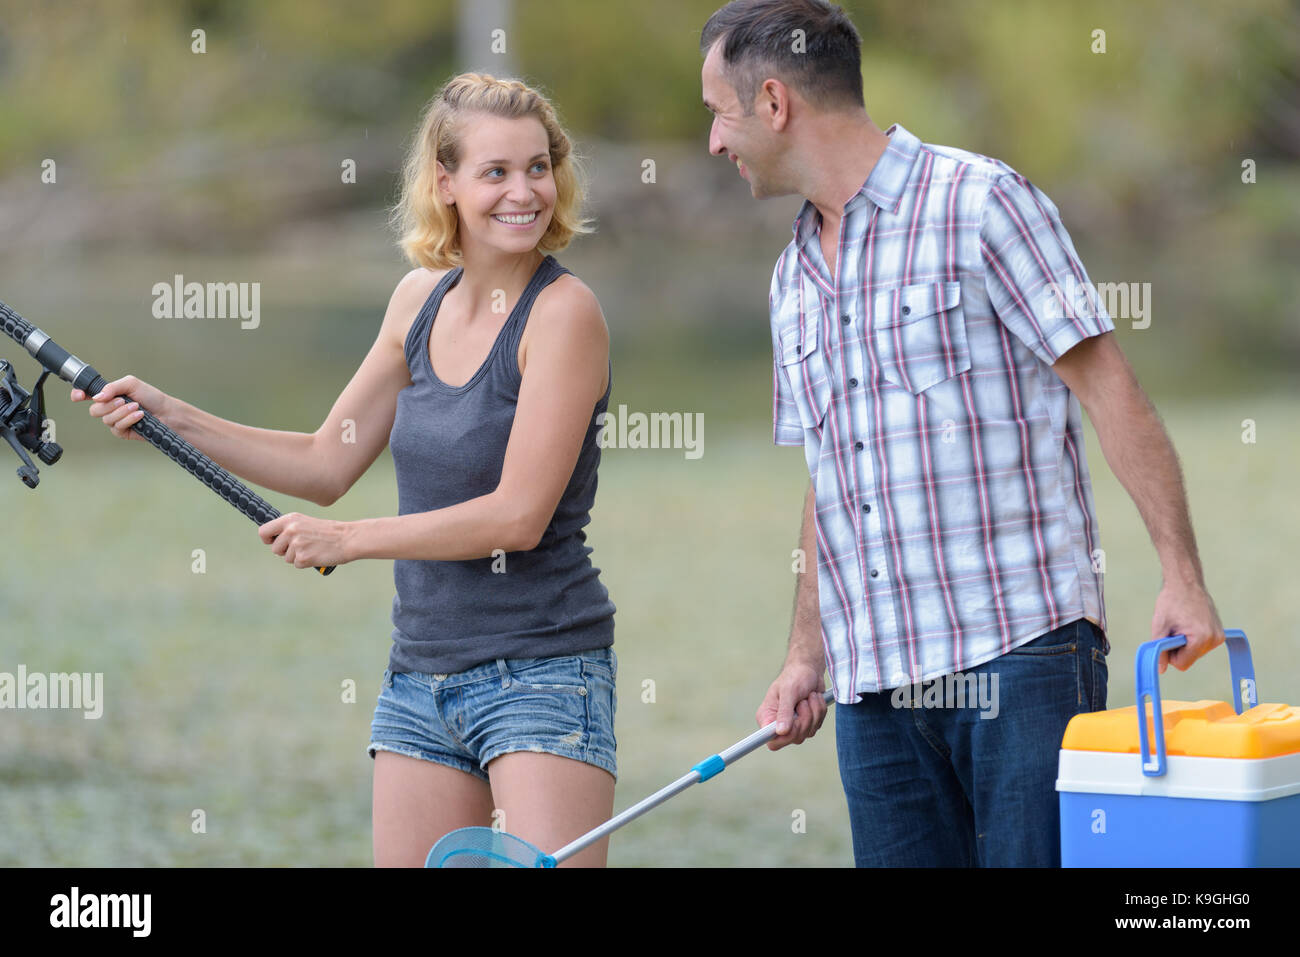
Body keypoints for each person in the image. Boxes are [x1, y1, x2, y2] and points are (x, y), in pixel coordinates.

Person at [699, 0, 1225, 866]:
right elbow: (833, 474)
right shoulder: (790, 277)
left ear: (773, 101)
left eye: (719, 113)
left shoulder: (981, 203)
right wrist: (806, 655)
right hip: (875, 692)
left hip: (1020, 657)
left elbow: (1111, 391)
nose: (715, 143)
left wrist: (1183, 575)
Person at [73, 73, 619, 868]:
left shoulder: (566, 315)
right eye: (495, 172)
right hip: (420, 677)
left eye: (538, 167)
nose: (524, 192)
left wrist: (351, 539)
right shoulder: (416, 301)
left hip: (543, 672)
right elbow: (327, 459)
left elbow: (517, 516)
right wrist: (171, 413)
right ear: (447, 183)